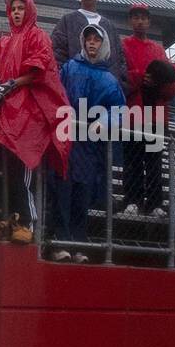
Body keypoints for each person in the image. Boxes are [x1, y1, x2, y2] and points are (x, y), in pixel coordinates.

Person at [0, 0, 71, 242]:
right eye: (13, 9)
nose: (16, 12)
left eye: (21, 8)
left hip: (29, 113)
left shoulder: (38, 36)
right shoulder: (5, 42)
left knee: (22, 168)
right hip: (6, 113)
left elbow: (40, 68)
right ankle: (6, 219)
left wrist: (10, 84)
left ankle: (26, 222)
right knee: (3, 166)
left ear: (29, 11)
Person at [50, 24, 125, 263]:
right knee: (62, 191)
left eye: (96, 40)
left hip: (90, 144)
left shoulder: (110, 79)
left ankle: (78, 243)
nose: (92, 43)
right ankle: (60, 242)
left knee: (82, 194)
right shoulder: (70, 68)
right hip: (66, 138)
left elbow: (117, 109)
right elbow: (56, 93)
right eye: (88, 39)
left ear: (103, 45)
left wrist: (104, 121)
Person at [120, 3, 175, 217]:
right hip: (133, 111)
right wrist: (140, 77)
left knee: (154, 161)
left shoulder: (158, 49)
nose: (139, 21)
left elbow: (172, 81)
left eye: (143, 17)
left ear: (149, 21)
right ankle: (132, 201)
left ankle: (156, 204)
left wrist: (157, 82)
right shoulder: (124, 45)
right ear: (130, 21)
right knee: (133, 159)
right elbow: (121, 74)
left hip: (156, 114)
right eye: (135, 17)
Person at [51, 0, 129, 95]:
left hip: (106, 88)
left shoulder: (109, 25)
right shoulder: (68, 20)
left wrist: (119, 81)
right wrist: (65, 79)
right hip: (76, 87)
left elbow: (119, 57)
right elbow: (56, 52)